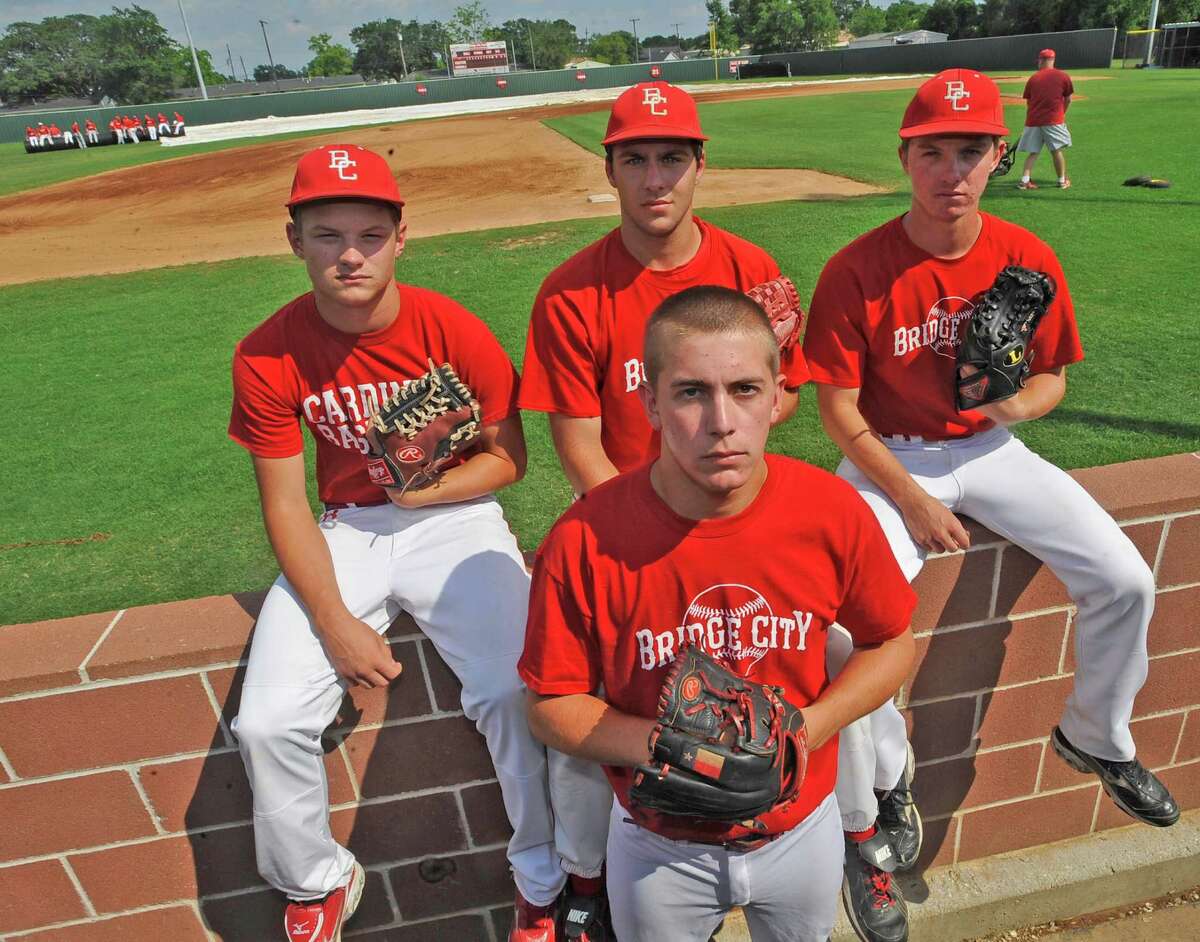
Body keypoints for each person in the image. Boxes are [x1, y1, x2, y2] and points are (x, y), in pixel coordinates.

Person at [803, 67, 1180, 942]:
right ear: (905, 158)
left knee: (1125, 578)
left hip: (992, 451)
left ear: (998, 156)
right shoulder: (857, 269)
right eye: (932, 152)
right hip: (887, 459)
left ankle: (1097, 735)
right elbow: (838, 412)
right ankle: (876, 801)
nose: (952, 171)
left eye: (970, 151)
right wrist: (910, 499)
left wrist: (1013, 406)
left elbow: (1052, 378)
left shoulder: (1025, 256)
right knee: (845, 632)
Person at [228, 143, 577, 942]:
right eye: (327, 235)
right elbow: (284, 502)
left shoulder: (451, 327)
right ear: (295, 240)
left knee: (514, 693)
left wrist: (424, 492)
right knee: (268, 722)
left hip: (457, 519)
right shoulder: (267, 352)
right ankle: (317, 880)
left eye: (370, 235)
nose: (350, 255)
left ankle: (542, 877)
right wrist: (335, 624)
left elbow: (508, 460)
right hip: (345, 530)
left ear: (400, 239)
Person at [520, 285, 917, 942]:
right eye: (690, 393)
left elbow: (892, 641)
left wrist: (805, 731)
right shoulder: (585, 537)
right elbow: (549, 704)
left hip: (802, 827)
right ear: (649, 402)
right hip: (658, 845)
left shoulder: (830, 511)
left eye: (745, 389)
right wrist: (670, 749)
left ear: (778, 396)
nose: (722, 421)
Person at [518, 80, 811, 934]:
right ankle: (583, 880)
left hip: (741, 520)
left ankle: (861, 826)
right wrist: (646, 531)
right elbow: (578, 441)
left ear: (698, 166)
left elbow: (783, 395)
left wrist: (756, 400)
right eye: (636, 159)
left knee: (811, 667)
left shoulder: (750, 270)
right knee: (588, 709)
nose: (655, 179)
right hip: (627, 530)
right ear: (609, 169)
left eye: (672, 159)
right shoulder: (572, 293)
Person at [1016, 49, 1075, 190]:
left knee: (1033, 152)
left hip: (1033, 121)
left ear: (1041, 61)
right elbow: (1068, 99)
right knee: (1056, 151)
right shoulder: (1063, 76)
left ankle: (1024, 181)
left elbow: (1029, 101)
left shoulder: (1034, 78)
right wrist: (1062, 113)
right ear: (1053, 60)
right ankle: (1062, 181)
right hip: (1053, 119)